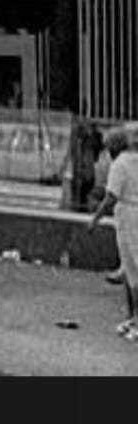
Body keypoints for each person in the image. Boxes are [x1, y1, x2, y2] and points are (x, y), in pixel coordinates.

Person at [87, 126, 138, 340]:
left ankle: (136, 322)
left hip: (128, 218)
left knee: (133, 270)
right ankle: (132, 317)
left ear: (112, 148)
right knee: (129, 269)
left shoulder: (119, 165)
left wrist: (94, 219)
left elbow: (111, 197)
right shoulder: (135, 159)